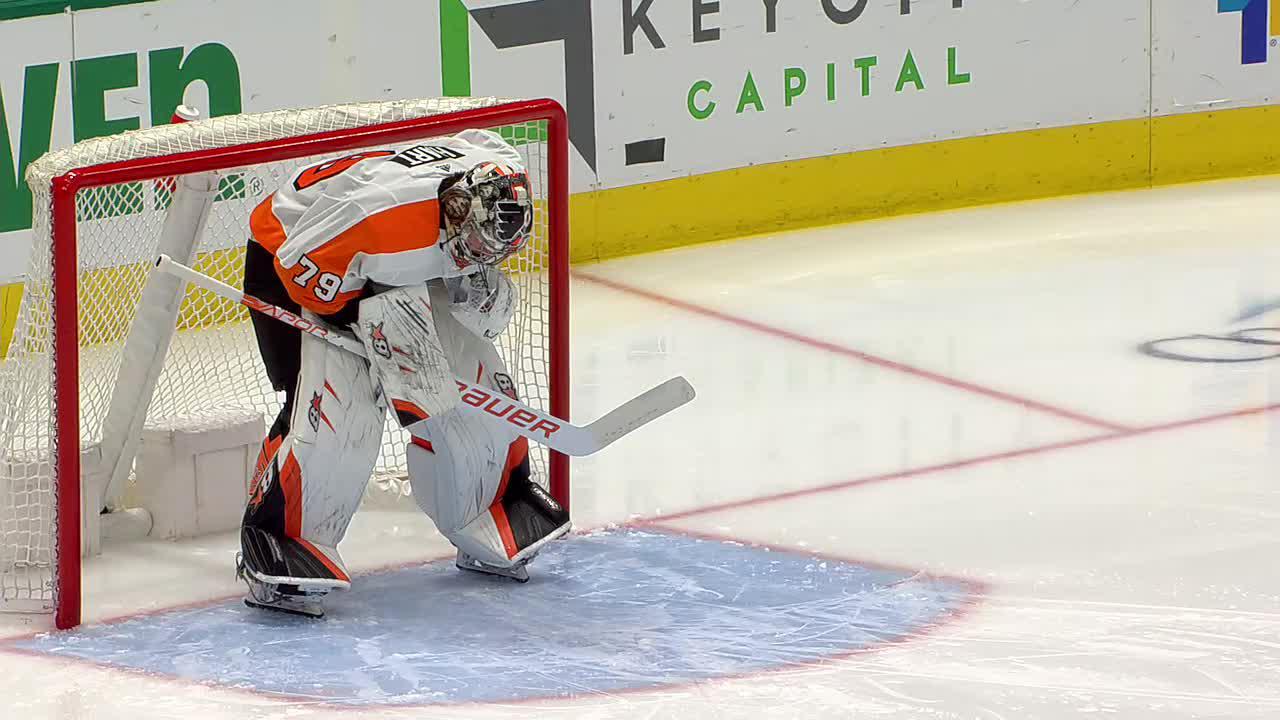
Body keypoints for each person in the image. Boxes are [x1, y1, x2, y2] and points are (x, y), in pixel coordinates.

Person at [236, 129, 570, 616]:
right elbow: (300, 269)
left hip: (394, 256)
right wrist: (367, 330)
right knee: (341, 409)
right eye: (472, 238)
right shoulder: (380, 217)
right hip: (299, 257)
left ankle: (488, 508)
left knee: (471, 385)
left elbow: (480, 140)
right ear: (455, 210)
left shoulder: (498, 173)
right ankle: (279, 535)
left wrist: (460, 279)